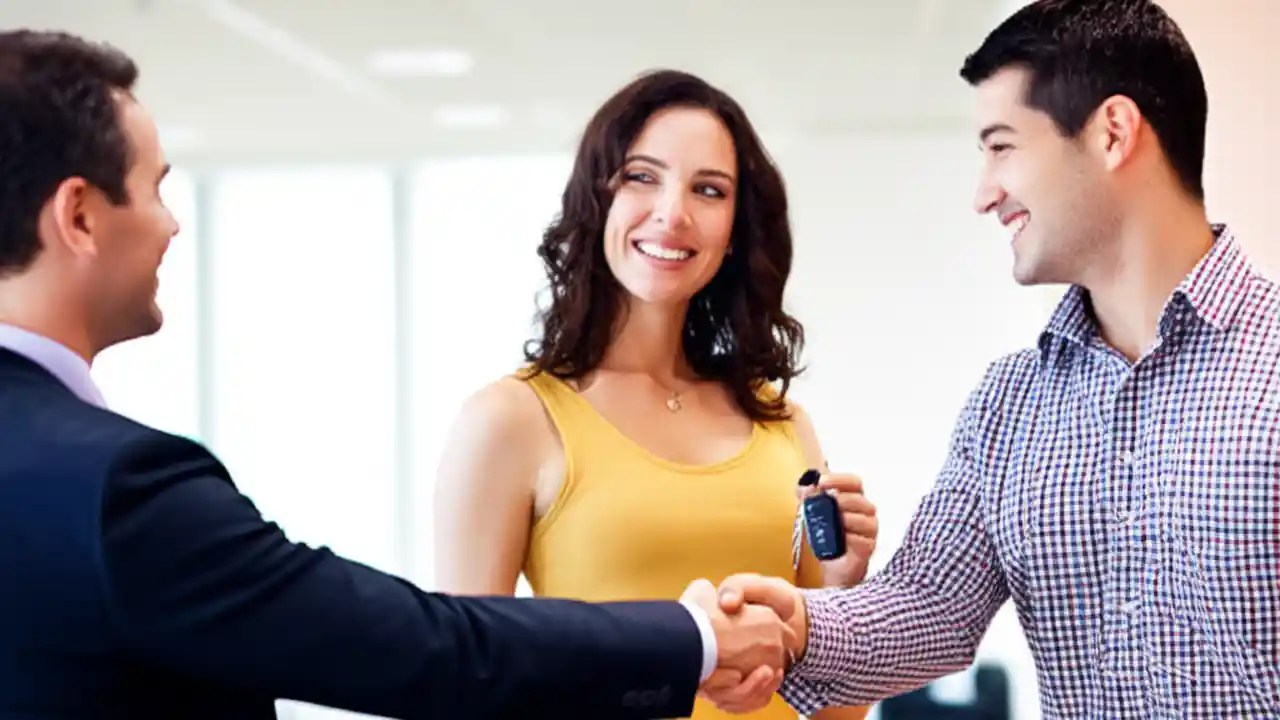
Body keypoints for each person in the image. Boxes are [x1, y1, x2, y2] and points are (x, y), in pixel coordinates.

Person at [0, 29, 796, 720]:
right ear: (78, 216)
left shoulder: (775, 418)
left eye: (710, 190)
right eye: (155, 189)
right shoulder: (117, 487)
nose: (172, 222)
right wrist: (689, 636)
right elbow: (437, 649)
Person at [701, 0, 1280, 718]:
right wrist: (799, 628)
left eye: (1001, 146)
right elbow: (930, 606)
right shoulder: (1010, 402)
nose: (983, 194)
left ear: (1112, 133)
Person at [433, 69, 878, 720]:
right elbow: (464, 686)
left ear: (733, 230)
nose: (673, 212)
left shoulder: (787, 427)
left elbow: (838, 711)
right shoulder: (511, 420)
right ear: (597, 197)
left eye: (709, 189)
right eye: (642, 176)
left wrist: (842, 590)